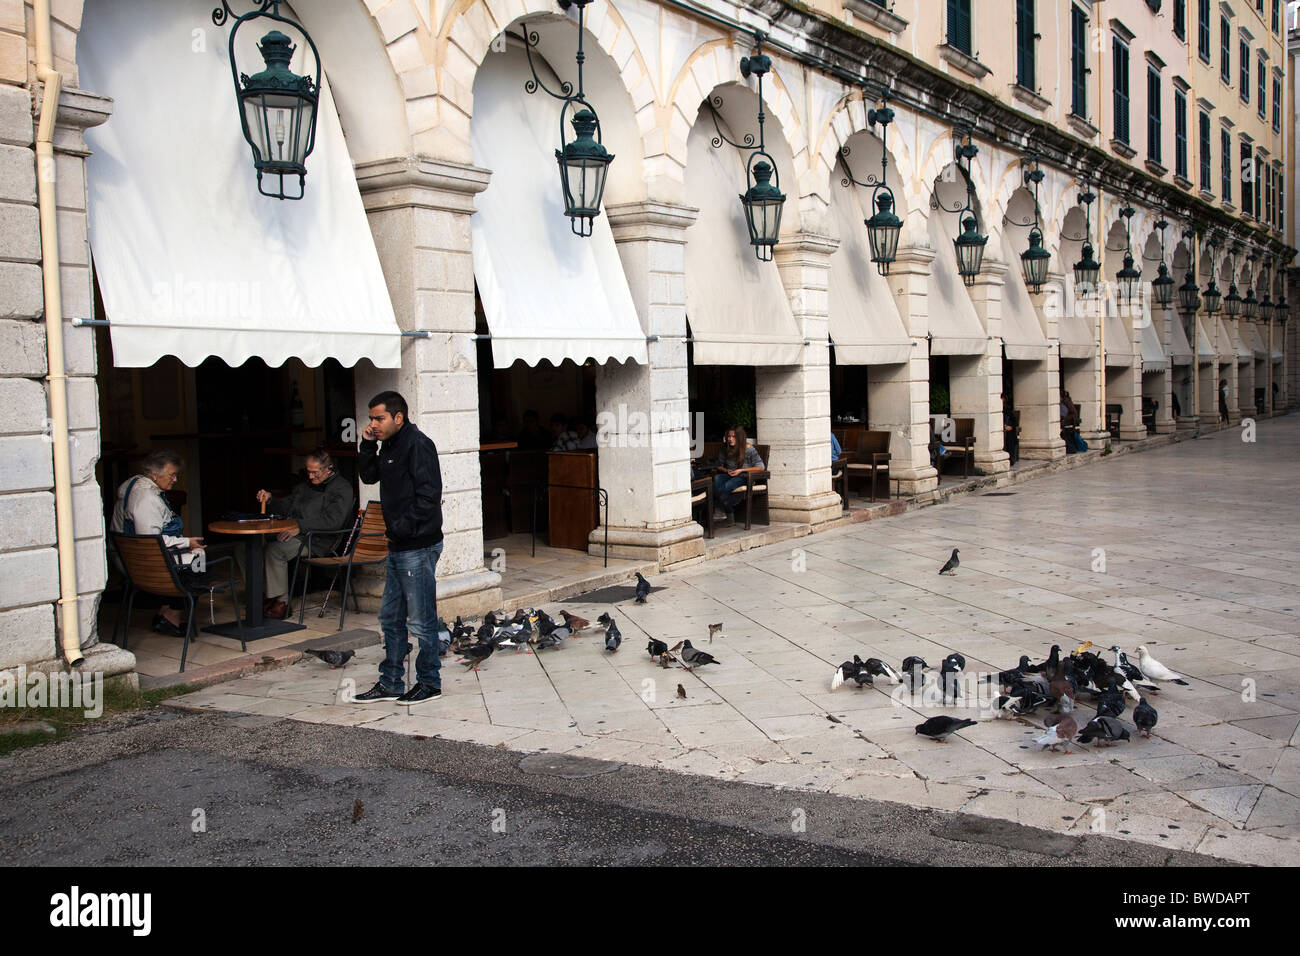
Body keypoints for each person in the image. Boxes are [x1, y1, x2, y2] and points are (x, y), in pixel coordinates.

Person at [353, 391, 445, 705]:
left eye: (378, 418)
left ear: (398, 417)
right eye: (371, 419)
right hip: (398, 546)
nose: (373, 424)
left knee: (421, 619)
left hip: (417, 546)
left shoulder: (418, 444)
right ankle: (390, 683)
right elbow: (368, 475)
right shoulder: (389, 445)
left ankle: (430, 682)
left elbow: (429, 496)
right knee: (391, 618)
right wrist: (367, 444)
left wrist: (404, 528)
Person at [110, 449, 206, 635]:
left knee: (193, 557)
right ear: (154, 475)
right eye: (172, 475)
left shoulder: (135, 485)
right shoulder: (146, 499)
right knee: (199, 562)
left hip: (131, 557)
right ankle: (172, 615)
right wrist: (186, 542)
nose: (175, 479)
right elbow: (150, 540)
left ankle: (166, 609)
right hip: (141, 564)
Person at [252, 448, 356, 620]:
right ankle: (265, 594)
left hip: (319, 540)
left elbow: (333, 521)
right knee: (250, 547)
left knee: (275, 550)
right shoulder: (305, 487)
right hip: (298, 533)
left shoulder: (341, 488)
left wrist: (300, 527)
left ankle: (280, 602)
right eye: (308, 472)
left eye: (314, 473)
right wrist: (270, 499)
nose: (310, 476)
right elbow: (287, 506)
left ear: (328, 469)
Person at [711, 425, 764, 523]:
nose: (730, 439)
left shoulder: (749, 449)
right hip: (729, 474)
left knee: (728, 485)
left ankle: (721, 509)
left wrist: (741, 470)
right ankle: (728, 510)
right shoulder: (725, 448)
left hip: (744, 476)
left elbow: (761, 467)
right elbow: (718, 465)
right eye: (729, 436)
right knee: (717, 479)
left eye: (733, 437)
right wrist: (726, 470)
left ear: (740, 438)